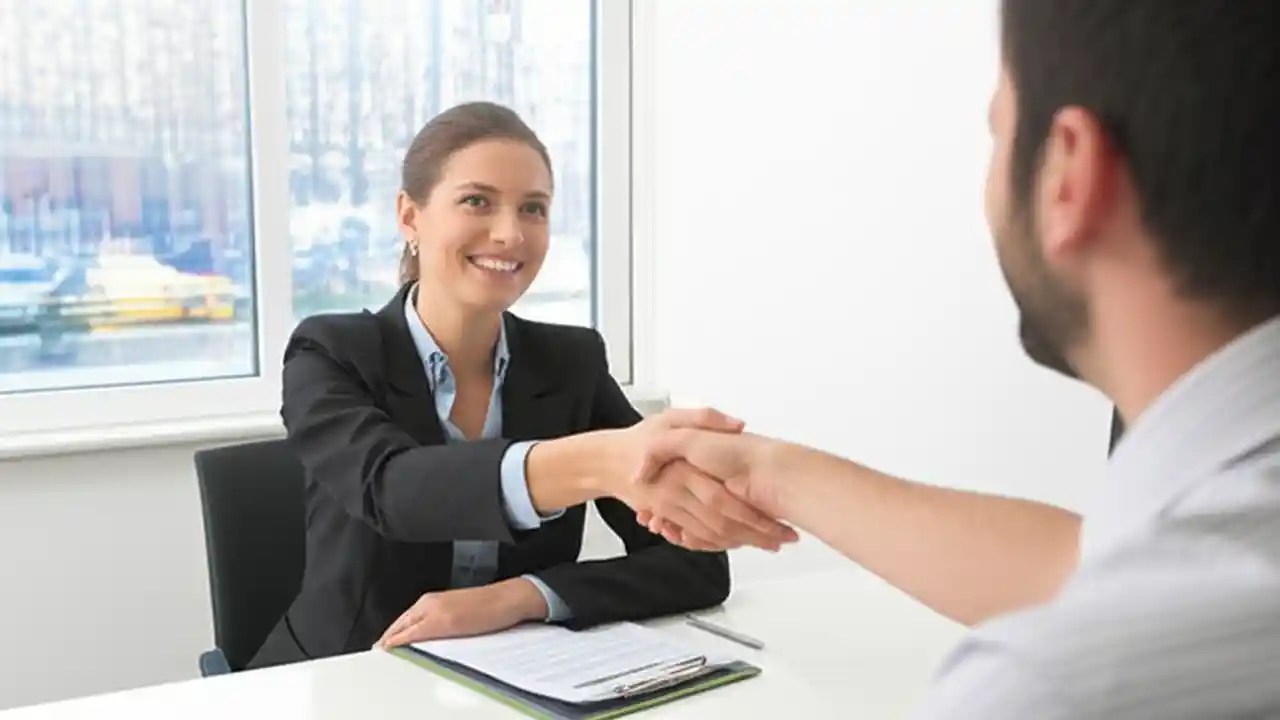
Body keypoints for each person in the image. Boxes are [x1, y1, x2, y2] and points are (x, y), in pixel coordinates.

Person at [636, 2, 1280, 717]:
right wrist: (768, 472)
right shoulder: (1229, 532)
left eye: (998, 130)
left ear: (1069, 173)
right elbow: (1095, 563)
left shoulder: (1055, 689)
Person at [250, 102, 797, 668]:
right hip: (341, 676)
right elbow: (392, 488)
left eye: (533, 209)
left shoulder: (571, 362)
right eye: (477, 202)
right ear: (410, 217)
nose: (510, 234)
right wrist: (601, 461)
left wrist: (518, 598)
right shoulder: (331, 352)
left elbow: (695, 565)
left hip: (510, 678)